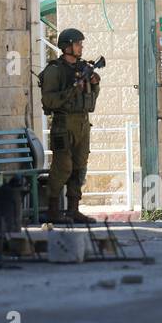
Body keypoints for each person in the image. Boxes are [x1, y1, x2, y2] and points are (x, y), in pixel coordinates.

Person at [40, 28, 100, 223]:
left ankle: (74, 209)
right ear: (67, 47)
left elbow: (91, 98)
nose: (81, 47)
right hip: (63, 122)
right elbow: (49, 101)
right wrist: (72, 90)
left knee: (79, 166)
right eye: (77, 44)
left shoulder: (83, 67)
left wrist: (93, 83)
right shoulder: (55, 70)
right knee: (62, 166)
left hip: (82, 122)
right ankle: (53, 211)